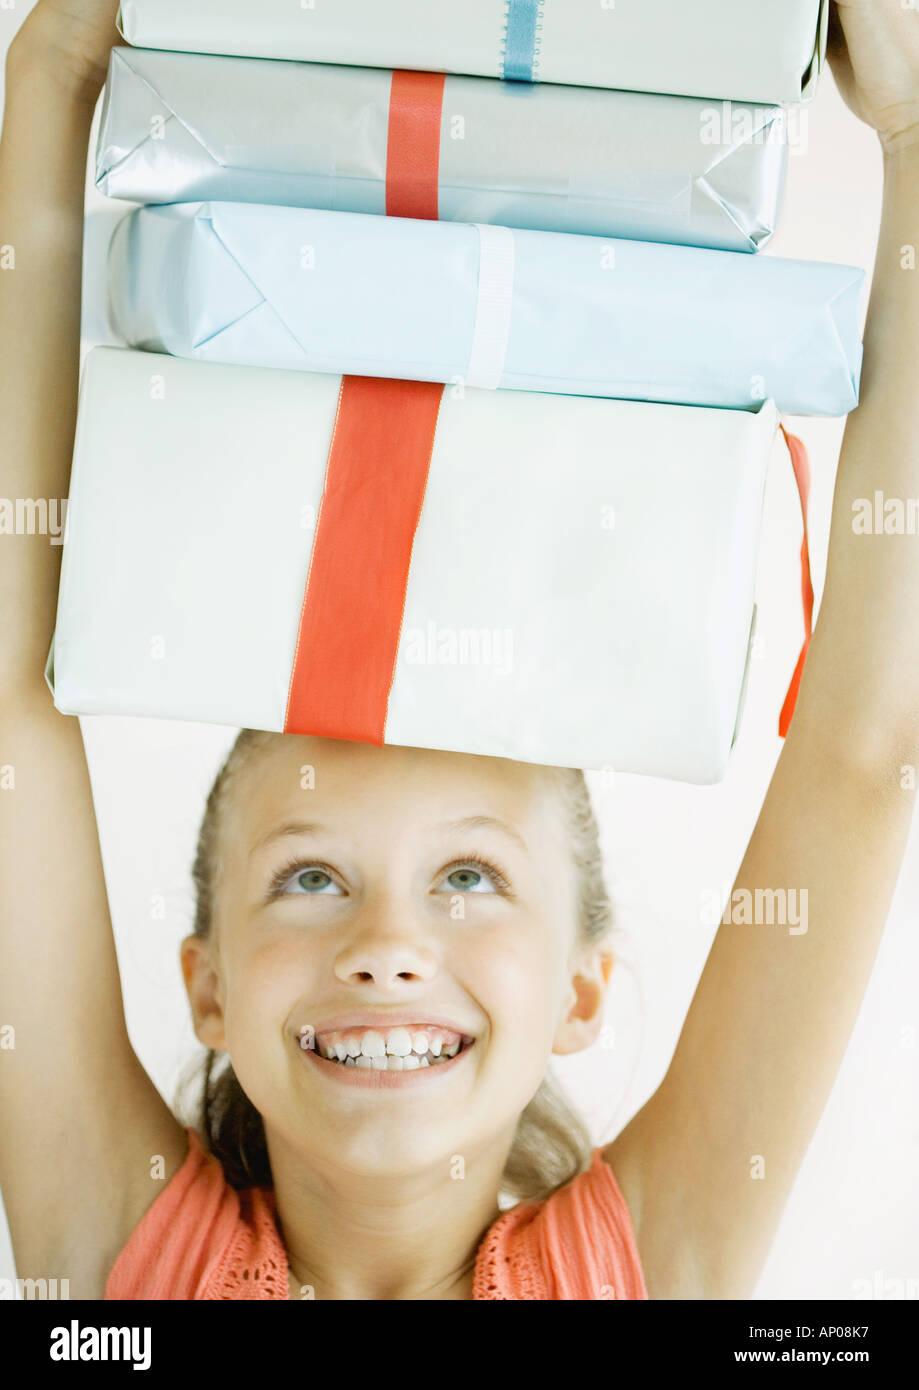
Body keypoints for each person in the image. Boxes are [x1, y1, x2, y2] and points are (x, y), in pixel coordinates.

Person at [1, 0, 917, 1300]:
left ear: (581, 991)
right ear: (207, 986)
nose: (387, 944)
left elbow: (864, 752)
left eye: (473, 876)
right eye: (309, 876)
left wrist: (916, 127)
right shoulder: (116, 1251)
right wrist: (53, 70)